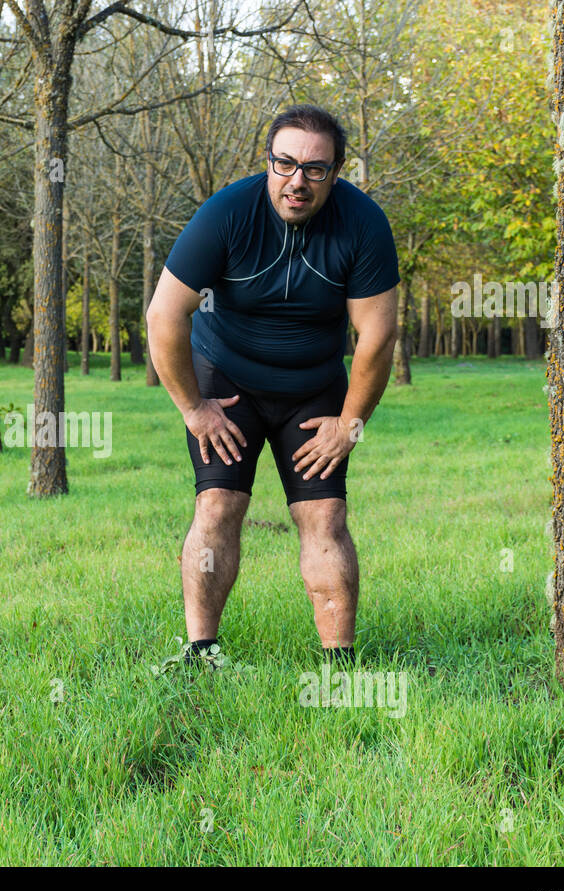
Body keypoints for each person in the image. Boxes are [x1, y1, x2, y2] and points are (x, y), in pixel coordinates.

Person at [145, 104, 399, 671]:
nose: (297, 181)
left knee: (325, 517)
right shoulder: (226, 213)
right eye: (285, 164)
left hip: (314, 390)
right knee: (217, 505)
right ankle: (200, 652)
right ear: (268, 162)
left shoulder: (363, 223)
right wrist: (192, 408)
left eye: (315, 169)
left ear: (336, 171)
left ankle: (340, 666)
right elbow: (164, 316)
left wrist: (349, 424)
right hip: (226, 385)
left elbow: (377, 337)